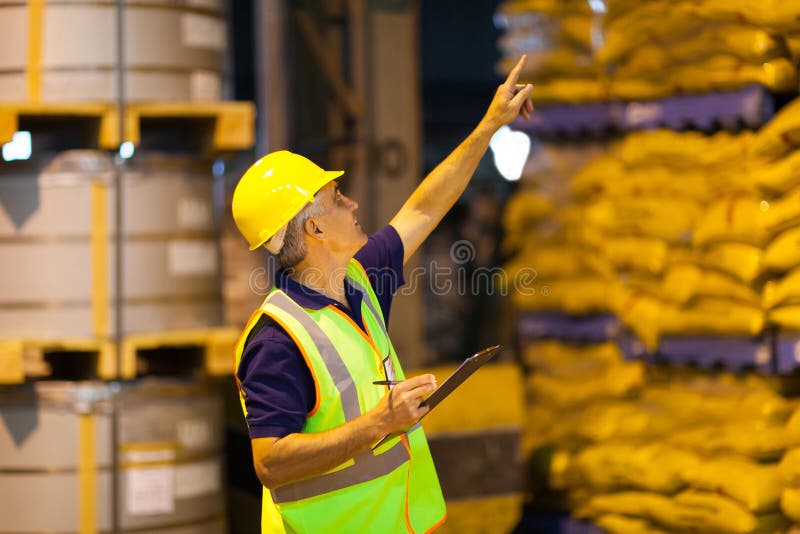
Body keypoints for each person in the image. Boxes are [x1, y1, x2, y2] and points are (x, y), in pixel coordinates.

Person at [231, 55, 533, 533]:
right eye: (336, 200)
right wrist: (380, 423)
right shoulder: (276, 340)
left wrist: (491, 124)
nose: (352, 204)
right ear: (314, 228)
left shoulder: (358, 277)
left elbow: (423, 210)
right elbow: (270, 462)